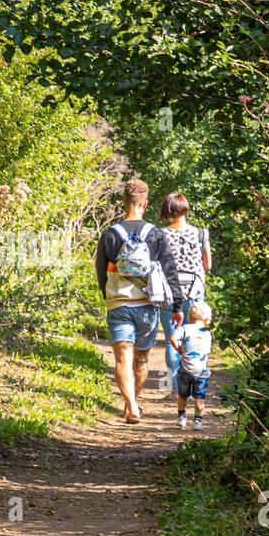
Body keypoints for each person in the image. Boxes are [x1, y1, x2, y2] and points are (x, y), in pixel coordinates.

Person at [95, 178, 185, 424]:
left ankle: (131, 405)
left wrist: (108, 294)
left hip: (119, 304)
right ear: (144, 204)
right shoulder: (154, 234)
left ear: (124, 202)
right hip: (147, 306)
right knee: (141, 358)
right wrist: (177, 305)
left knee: (122, 358)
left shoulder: (110, 234)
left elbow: (101, 271)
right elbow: (169, 271)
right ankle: (133, 402)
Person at [157, 192, 212, 403]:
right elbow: (208, 264)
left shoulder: (160, 235)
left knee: (172, 338)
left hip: (169, 293)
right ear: (185, 208)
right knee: (197, 336)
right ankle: (197, 380)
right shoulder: (201, 234)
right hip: (195, 292)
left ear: (167, 211)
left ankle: (176, 387)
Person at [170, 300, 213, 431]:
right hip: (201, 371)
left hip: (185, 369)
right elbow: (207, 352)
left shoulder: (185, 328)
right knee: (200, 397)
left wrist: (179, 350)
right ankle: (198, 421)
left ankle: (181, 418)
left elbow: (172, 337)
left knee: (182, 395)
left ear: (190, 315)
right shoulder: (208, 332)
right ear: (206, 317)